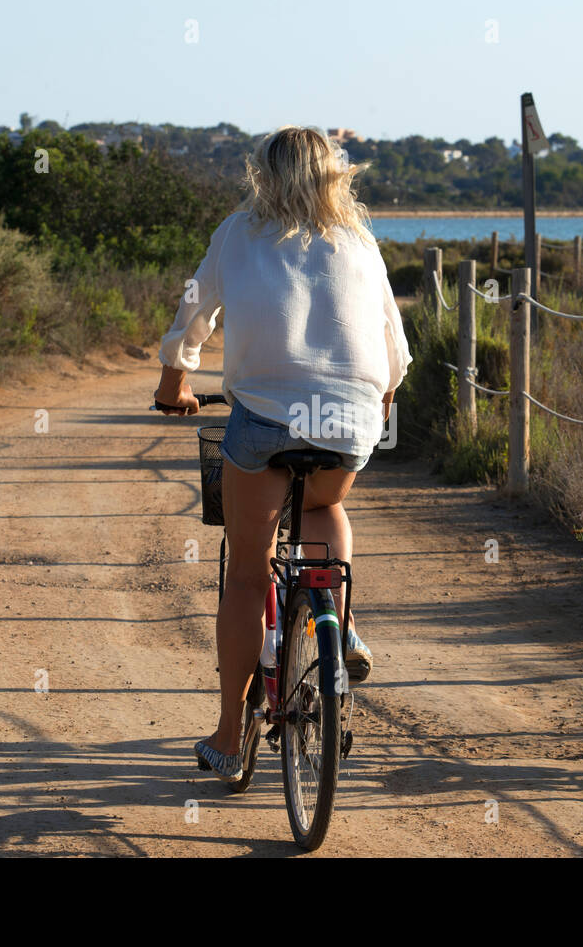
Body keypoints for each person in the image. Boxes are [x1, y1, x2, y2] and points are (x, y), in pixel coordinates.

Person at [154, 125, 412, 781]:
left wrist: (173, 383)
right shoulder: (356, 239)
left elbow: (194, 313)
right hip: (349, 416)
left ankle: (228, 735)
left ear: (261, 175)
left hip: (264, 413)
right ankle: (341, 626)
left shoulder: (239, 231)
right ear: (335, 178)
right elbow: (394, 340)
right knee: (325, 502)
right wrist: (379, 400)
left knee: (247, 572)